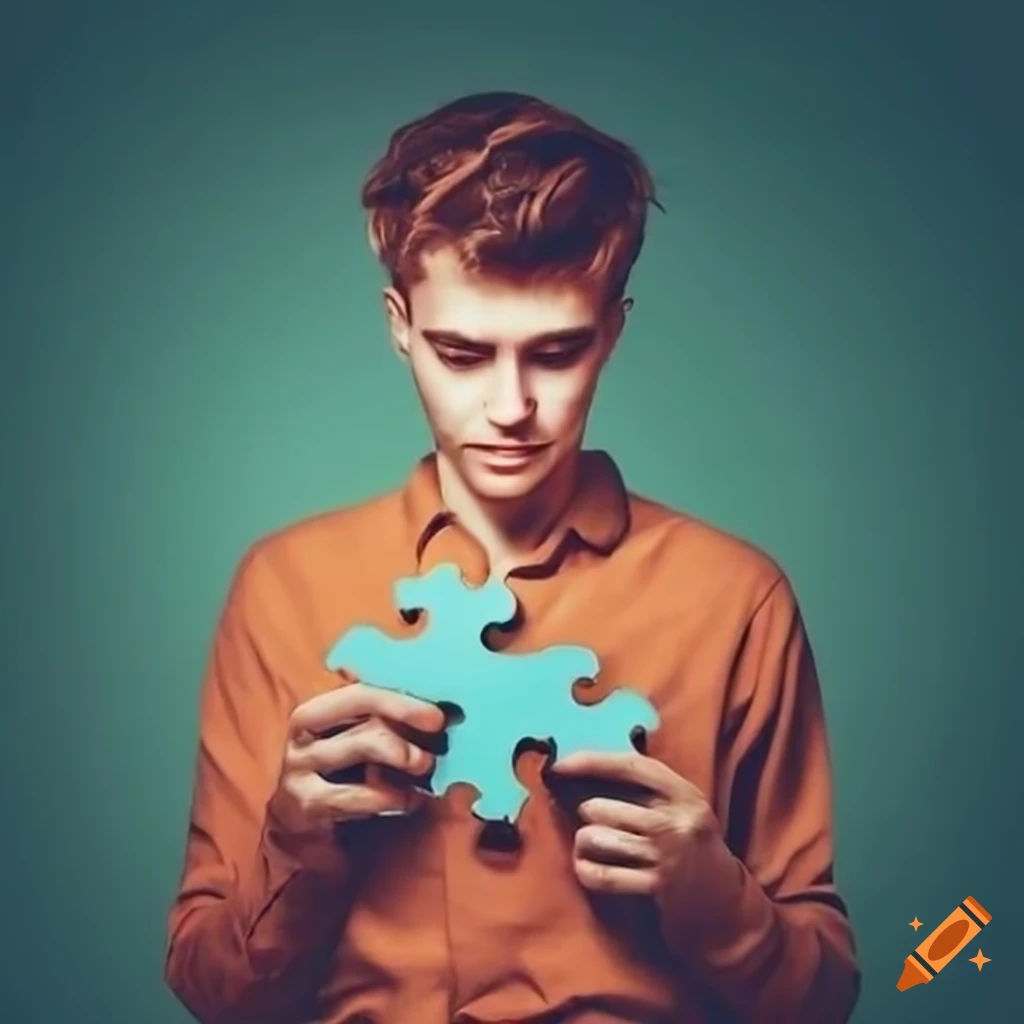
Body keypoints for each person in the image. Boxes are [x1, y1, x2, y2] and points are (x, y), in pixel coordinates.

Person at [164, 91, 861, 1024]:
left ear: (612, 332)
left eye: (557, 352)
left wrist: (709, 891)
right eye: (461, 353)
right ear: (400, 325)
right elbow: (216, 994)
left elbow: (822, 999)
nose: (510, 406)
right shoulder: (285, 587)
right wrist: (296, 839)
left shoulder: (736, 599)